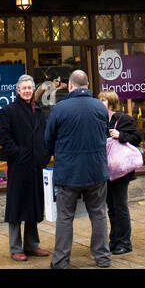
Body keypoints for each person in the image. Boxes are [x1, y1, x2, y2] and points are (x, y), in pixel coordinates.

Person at [44, 69, 110, 269]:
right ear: (87, 85)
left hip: (68, 173)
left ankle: (61, 261)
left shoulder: (60, 109)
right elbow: (104, 133)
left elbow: (48, 140)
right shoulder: (100, 107)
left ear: (70, 86)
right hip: (96, 171)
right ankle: (103, 258)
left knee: (65, 218)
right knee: (98, 214)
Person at [0, 74, 51, 261]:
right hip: (19, 167)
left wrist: (44, 155)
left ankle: (32, 245)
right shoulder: (8, 111)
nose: (27, 91)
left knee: (33, 205)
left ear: (33, 90)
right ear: (18, 90)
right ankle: (15, 247)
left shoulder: (38, 111)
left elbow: (45, 136)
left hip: (36, 166)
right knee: (16, 207)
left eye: (30, 88)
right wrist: (18, 154)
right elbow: (3, 138)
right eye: (24, 88)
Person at [99, 89, 141, 255]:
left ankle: (125, 242)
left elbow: (137, 137)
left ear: (111, 102)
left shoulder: (123, 119)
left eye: (103, 100)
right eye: (99, 99)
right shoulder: (100, 120)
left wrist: (120, 135)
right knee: (111, 207)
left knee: (121, 206)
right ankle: (114, 240)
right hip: (107, 170)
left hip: (121, 171)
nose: (100, 102)